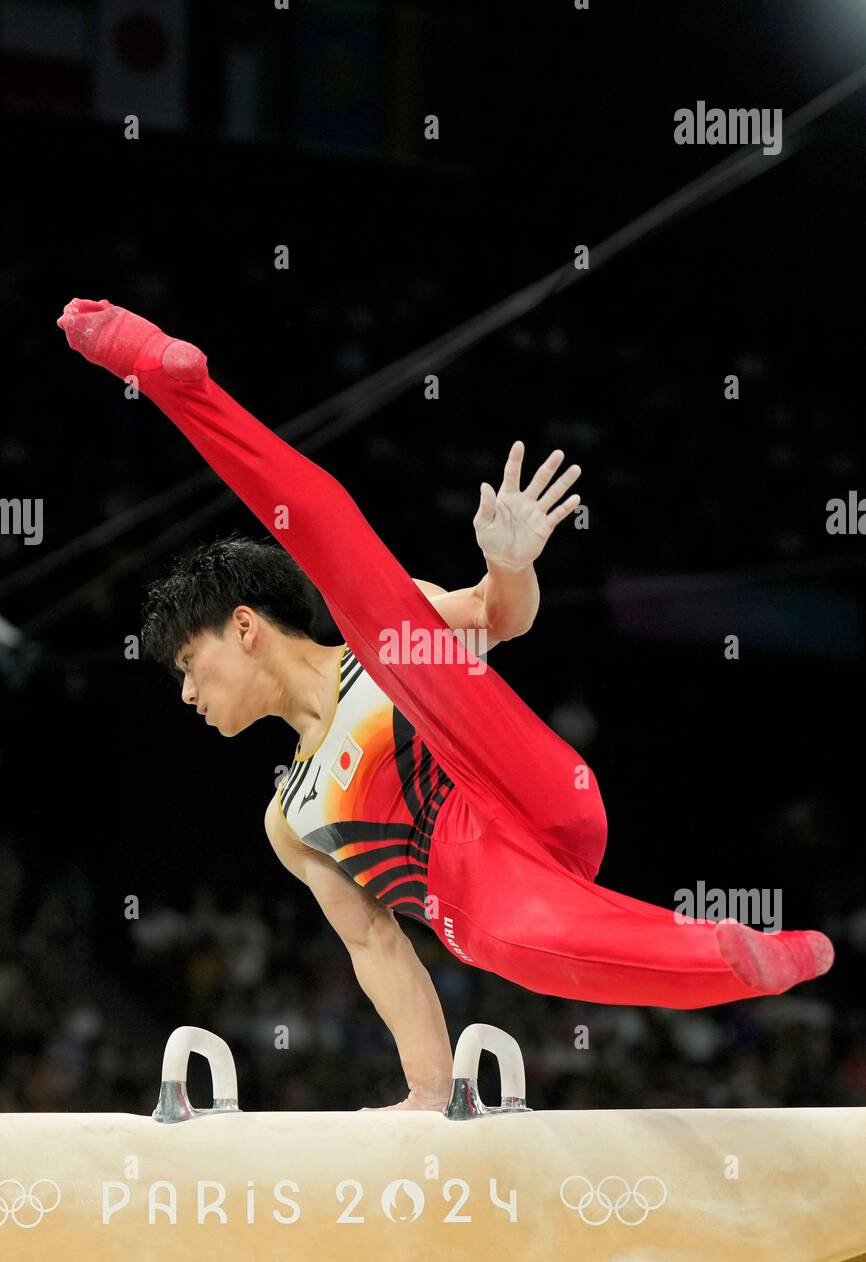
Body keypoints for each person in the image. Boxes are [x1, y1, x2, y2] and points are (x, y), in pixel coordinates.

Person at [57, 298, 834, 1111]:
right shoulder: (290, 819)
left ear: (244, 627)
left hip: (518, 784)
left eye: (188, 661)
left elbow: (500, 622)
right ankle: (732, 954)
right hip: (487, 894)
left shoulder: (379, 638)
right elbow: (377, 945)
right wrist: (429, 1096)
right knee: (528, 941)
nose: (185, 691)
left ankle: (180, 384)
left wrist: (509, 568)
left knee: (383, 618)